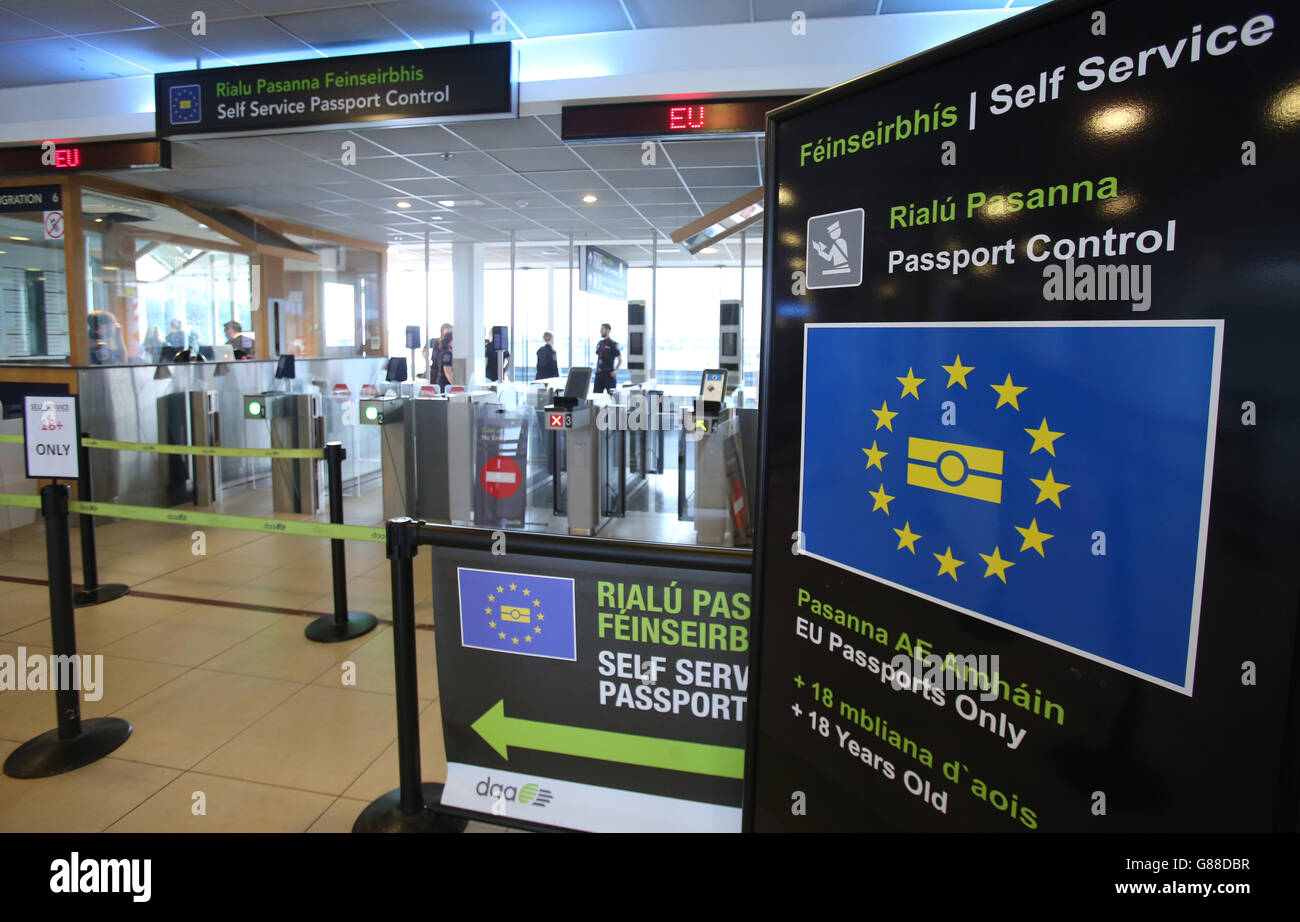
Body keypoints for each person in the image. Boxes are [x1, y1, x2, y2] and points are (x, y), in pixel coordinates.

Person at [594, 323, 621, 393]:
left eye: (602, 330)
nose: (600, 331)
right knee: (596, 395)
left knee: (611, 397)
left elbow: (620, 360)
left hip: (609, 374)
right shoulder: (600, 343)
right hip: (599, 374)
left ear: (608, 330)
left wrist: (615, 371)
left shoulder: (613, 344)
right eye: (600, 329)